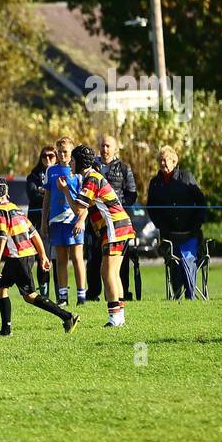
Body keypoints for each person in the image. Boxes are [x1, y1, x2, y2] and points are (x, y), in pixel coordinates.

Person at [0, 177, 80, 336]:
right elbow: (34, 234)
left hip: (18, 257)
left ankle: (67, 316)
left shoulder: (1, 212)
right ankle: (6, 329)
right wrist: (42, 256)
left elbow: (1, 239)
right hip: (24, 256)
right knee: (2, 289)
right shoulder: (15, 209)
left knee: (29, 295)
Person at [59, 144, 136, 327]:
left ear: (80, 162)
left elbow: (79, 210)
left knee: (106, 272)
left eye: (73, 160)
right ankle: (120, 316)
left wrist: (65, 191)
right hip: (121, 225)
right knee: (113, 273)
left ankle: (114, 318)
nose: (70, 163)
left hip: (114, 227)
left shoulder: (91, 178)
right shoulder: (92, 177)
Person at [147, 146, 207, 300]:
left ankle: (190, 296)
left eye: (165, 160)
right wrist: (161, 225)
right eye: (160, 161)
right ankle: (177, 295)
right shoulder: (155, 183)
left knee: (187, 261)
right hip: (169, 234)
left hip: (189, 233)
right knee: (174, 264)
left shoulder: (186, 177)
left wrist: (196, 224)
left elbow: (201, 202)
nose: (162, 164)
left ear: (174, 161)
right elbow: (152, 208)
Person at [88, 135, 138, 301]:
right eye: (102, 146)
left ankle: (121, 298)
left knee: (117, 266)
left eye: (108, 146)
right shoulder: (93, 167)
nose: (105, 149)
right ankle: (93, 294)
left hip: (115, 223)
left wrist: (116, 207)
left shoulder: (123, 168)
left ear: (115, 148)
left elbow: (132, 193)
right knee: (94, 260)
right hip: (97, 222)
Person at [44, 137, 86, 306]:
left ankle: (81, 294)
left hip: (74, 221)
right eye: (59, 152)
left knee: (77, 257)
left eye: (66, 152)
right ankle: (63, 295)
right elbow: (47, 197)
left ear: (71, 153)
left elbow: (86, 201)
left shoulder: (78, 172)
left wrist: (81, 220)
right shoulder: (51, 171)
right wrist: (43, 222)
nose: (62, 155)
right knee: (61, 259)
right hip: (56, 220)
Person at [25, 145, 56, 295]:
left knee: (53, 257)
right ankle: (42, 291)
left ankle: (60, 292)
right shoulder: (33, 175)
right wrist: (47, 194)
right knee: (38, 256)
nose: (48, 159)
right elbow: (32, 195)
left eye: (51, 156)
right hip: (37, 222)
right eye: (45, 156)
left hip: (55, 219)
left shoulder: (58, 173)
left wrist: (43, 191)